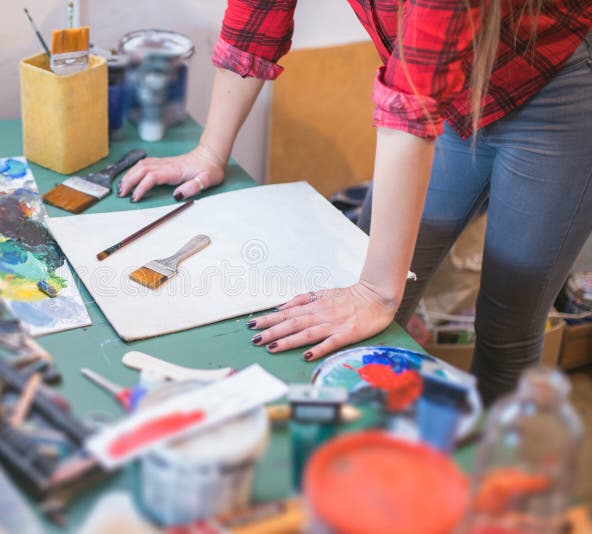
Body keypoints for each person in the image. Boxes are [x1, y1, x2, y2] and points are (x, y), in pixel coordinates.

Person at [119, 0, 592, 403]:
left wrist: (378, 292)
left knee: (507, 322)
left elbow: (413, 103)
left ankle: (495, 482)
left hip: (561, 84)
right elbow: (257, 15)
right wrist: (209, 152)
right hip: (453, 82)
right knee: (359, 281)